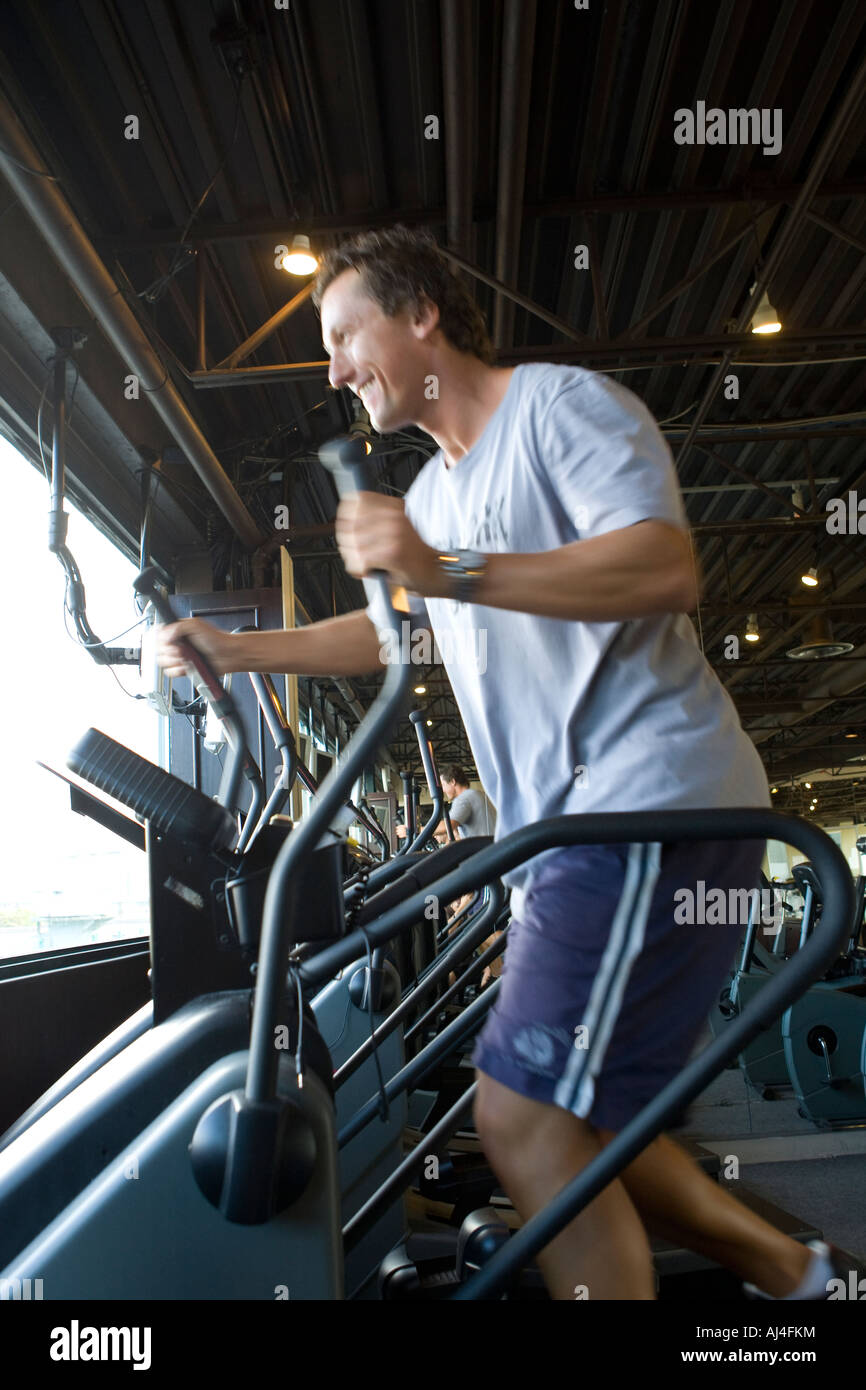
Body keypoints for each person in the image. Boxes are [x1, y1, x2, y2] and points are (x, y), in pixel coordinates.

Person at [157, 226, 840, 1301]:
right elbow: (396, 634)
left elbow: (661, 566)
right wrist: (242, 650)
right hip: (577, 836)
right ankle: (802, 1278)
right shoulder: (433, 491)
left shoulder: (560, 409)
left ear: (421, 311)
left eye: (345, 333)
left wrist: (445, 567)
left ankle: (790, 1276)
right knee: (580, 1123)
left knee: (519, 1118)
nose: (333, 368)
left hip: (644, 809)